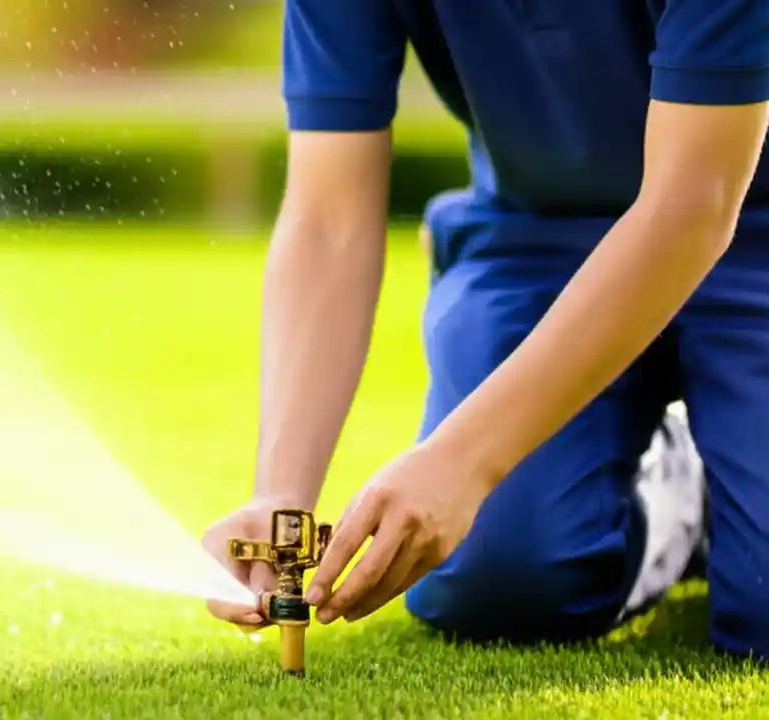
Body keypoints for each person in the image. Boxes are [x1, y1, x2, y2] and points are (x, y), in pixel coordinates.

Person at [203, 0, 768, 659]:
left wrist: (462, 462)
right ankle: (678, 495)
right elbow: (328, 220)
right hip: (534, 243)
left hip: (749, 233)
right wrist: (282, 495)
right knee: (496, 579)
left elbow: (691, 205)